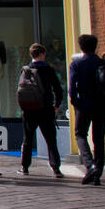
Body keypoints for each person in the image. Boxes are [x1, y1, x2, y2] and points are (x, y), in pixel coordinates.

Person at [16, 42, 65, 178]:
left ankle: (25, 167)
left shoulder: (25, 69)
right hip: (46, 109)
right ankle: (56, 168)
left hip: (29, 110)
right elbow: (58, 89)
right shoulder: (48, 69)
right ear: (42, 54)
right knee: (51, 140)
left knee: (27, 139)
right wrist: (56, 105)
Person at [69, 34, 105, 185]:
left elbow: (72, 87)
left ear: (81, 47)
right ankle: (97, 172)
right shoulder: (103, 63)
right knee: (99, 139)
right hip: (101, 105)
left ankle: (90, 165)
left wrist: (75, 102)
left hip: (84, 104)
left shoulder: (77, 64)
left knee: (80, 134)